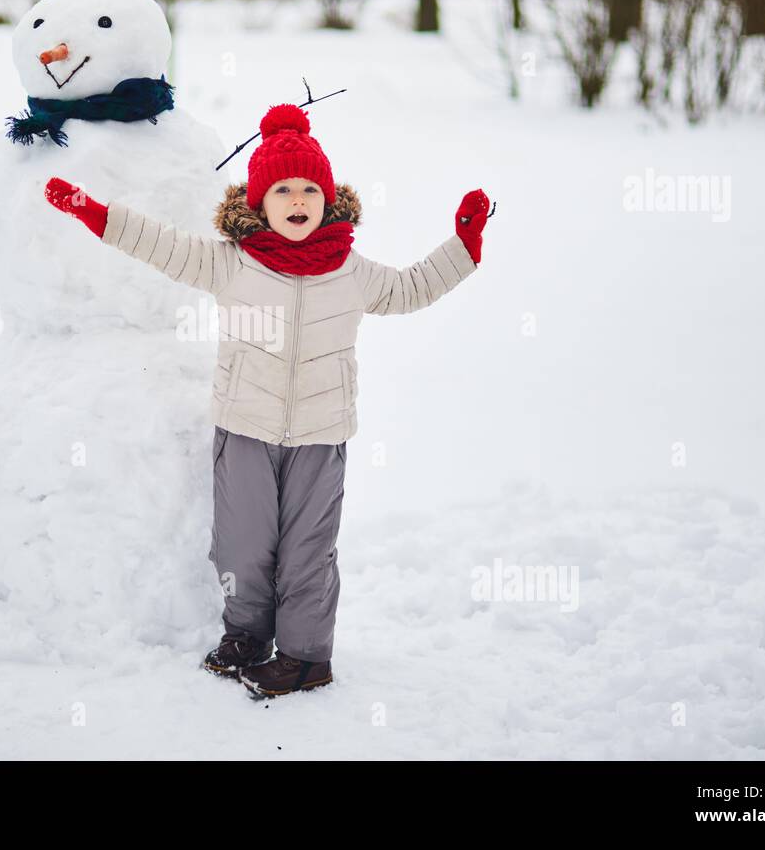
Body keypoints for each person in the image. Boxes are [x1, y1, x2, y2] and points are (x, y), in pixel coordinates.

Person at [42, 103, 490, 698]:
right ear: (259, 203)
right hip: (245, 429)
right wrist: (96, 213)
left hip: (320, 438)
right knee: (242, 544)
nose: (297, 199)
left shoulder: (350, 271)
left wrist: (463, 245)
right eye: (282, 189)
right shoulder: (232, 263)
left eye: (309, 189)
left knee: (308, 552)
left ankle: (306, 657)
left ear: (327, 199)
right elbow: (160, 245)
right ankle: (247, 637)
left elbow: (411, 288)